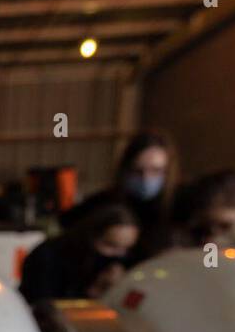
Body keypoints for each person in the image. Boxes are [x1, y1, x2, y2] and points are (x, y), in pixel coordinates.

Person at [61, 129, 180, 263]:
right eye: (137, 171)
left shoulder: (178, 207)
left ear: (168, 171)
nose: (146, 178)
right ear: (125, 170)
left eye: (156, 171)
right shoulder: (102, 203)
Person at [19, 205, 140, 305]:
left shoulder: (121, 261)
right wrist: (95, 291)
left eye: (125, 249)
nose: (119, 255)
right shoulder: (50, 256)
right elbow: (45, 305)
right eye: (111, 246)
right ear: (93, 236)